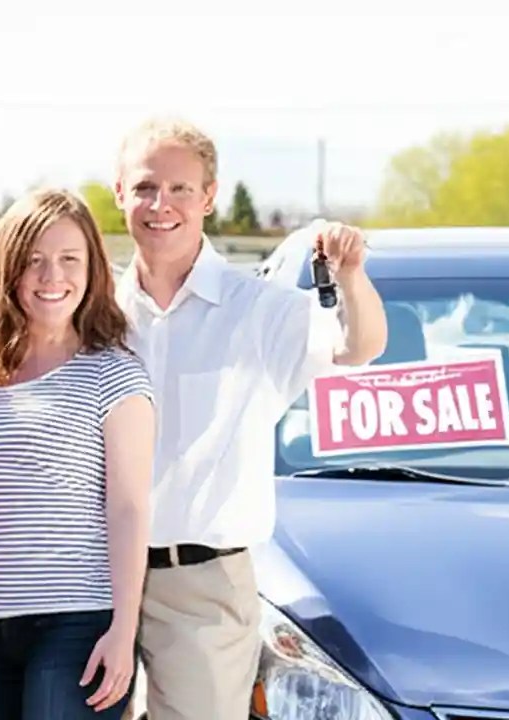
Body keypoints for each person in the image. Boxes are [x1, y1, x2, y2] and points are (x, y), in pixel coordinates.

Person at [112, 117, 388, 720]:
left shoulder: (258, 311)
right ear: (119, 192)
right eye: (145, 187)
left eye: (181, 189)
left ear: (209, 197)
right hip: (92, 575)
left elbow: (358, 345)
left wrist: (352, 275)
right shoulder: (96, 312)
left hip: (202, 586)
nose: (161, 205)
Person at [0, 188, 154, 719]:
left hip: (78, 622)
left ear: (92, 270)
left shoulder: (115, 373)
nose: (52, 277)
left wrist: (123, 629)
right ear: (9, 270)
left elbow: (130, 509)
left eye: (70, 260)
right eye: (35, 261)